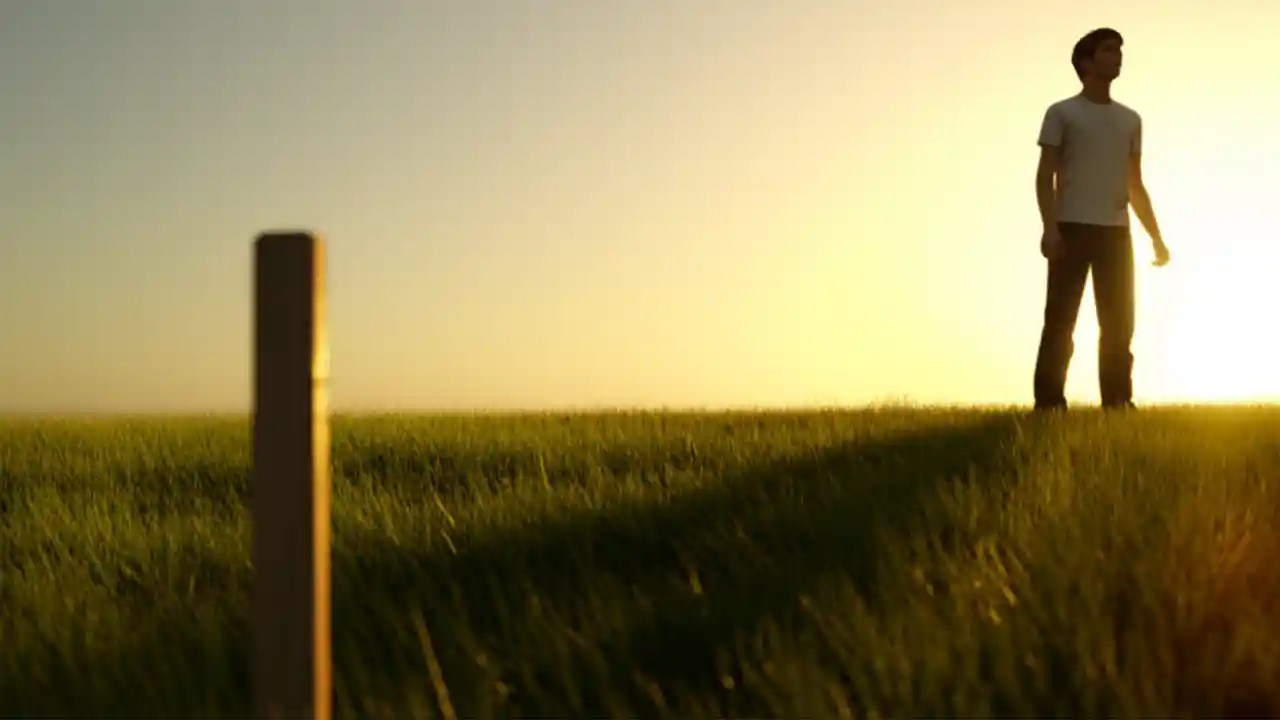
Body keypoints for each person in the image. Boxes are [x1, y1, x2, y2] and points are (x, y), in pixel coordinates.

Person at [1032, 27, 1170, 412]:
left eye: (1119, 50)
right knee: (1060, 323)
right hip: (1071, 229)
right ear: (1086, 62)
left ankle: (1118, 402)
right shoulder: (1062, 113)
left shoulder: (1130, 120)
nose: (1118, 56)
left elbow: (1134, 183)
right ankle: (1048, 405)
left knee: (1119, 326)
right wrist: (1049, 227)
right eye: (1109, 51)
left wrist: (1155, 237)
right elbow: (1046, 175)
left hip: (1115, 233)